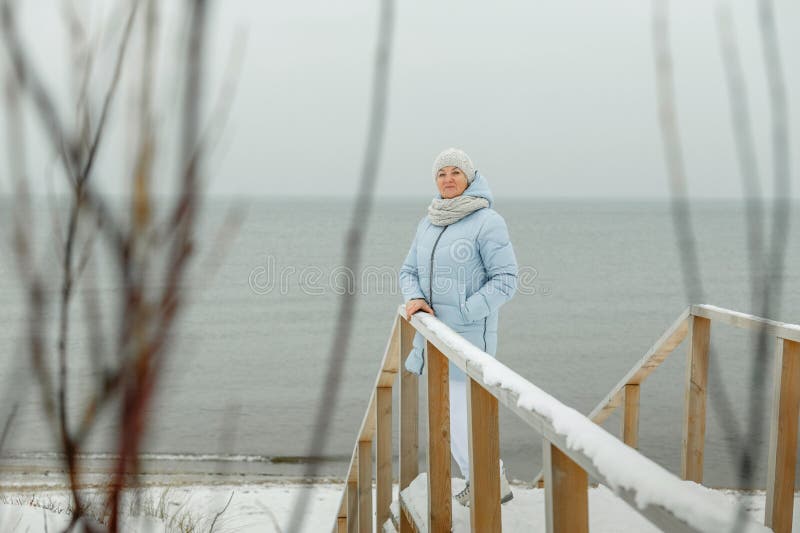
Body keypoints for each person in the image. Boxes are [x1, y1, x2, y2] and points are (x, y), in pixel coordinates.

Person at [399, 147, 518, 507]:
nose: (448, 179)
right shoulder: (430, 221)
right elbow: (408, 271)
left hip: (466, 340)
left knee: (465, 422)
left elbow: (506, 280)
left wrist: (466, 311)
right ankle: (487, 482)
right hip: (433, 339)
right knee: (450, 424)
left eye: (455, 172)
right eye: (441, 173)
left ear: (469, 177)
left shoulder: (487, 221)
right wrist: (415, 300)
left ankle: (488, 485)